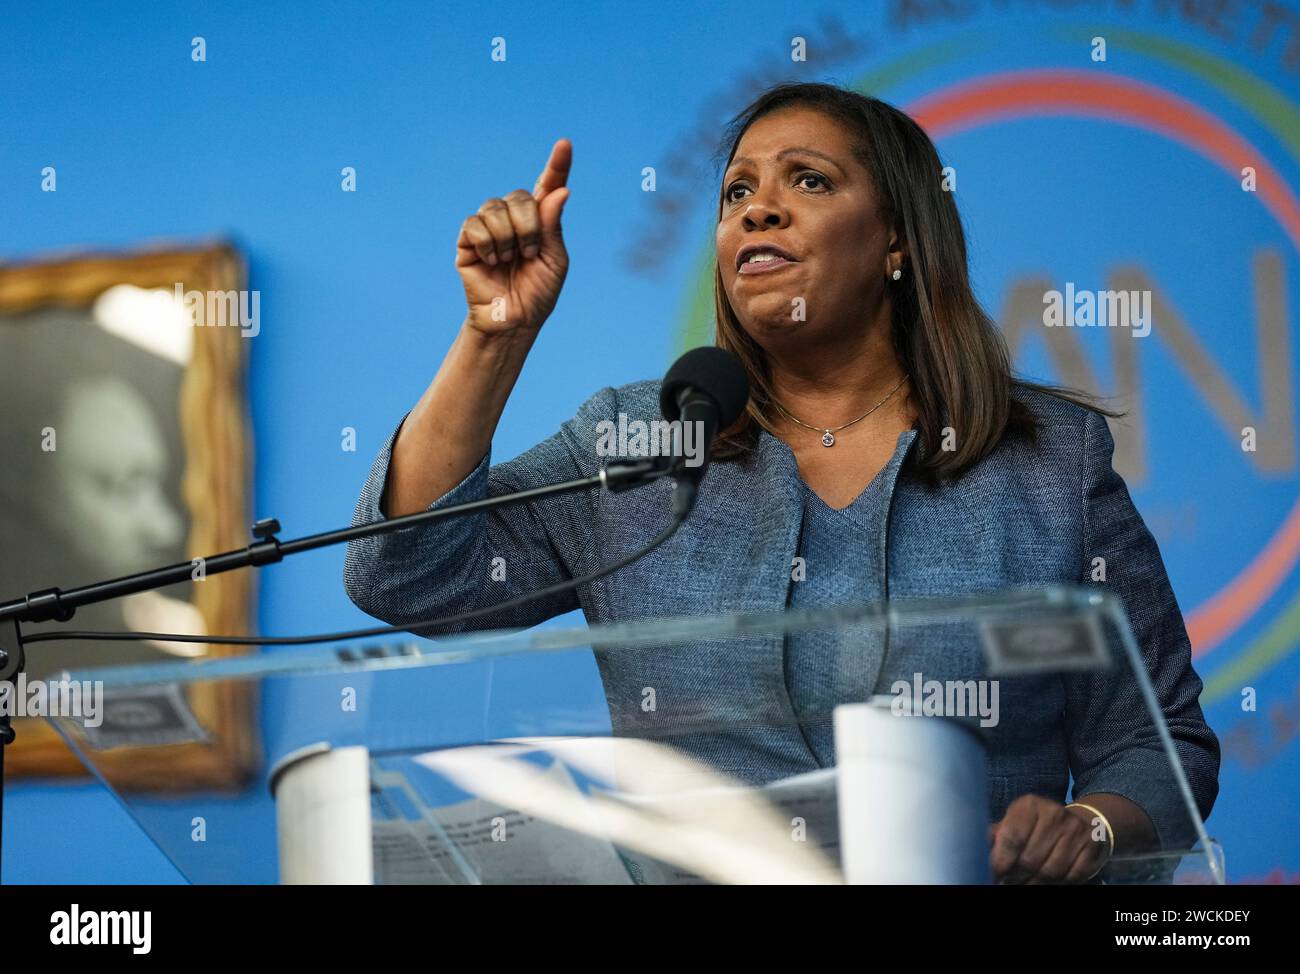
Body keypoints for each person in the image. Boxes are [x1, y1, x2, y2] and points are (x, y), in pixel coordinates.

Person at [344, 82, 1219, 884]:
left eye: (808, 182)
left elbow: (1157, 741)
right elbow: (409, 575)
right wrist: (494, 337)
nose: (758, 208)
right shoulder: (641, 440)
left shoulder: (1049, 462)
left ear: (896, 243)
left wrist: (1089, 830)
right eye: (737, 193)